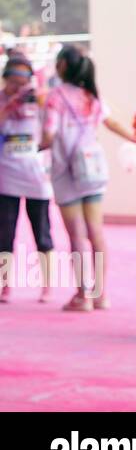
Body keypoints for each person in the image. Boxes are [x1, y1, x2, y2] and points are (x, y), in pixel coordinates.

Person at [42, 46, 136, 312]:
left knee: (76, 235)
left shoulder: (55, 97)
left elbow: (49, 135)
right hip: (93, 170)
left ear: (63, 65)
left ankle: (82, 296)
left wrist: (38, 146)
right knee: (96, 233)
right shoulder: (91, 95)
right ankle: (101, 295)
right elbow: (111, 123)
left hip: (66, 173)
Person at [0, 54, 54, 303]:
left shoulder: (39, 101)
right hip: (6, 175)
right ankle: (5, 284)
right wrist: (9, 105)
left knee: (42, 231)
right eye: (12, 81)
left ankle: (46, 284)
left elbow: (51, 131)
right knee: (4, 233)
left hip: (36, 175)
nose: (17, 88)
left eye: (22, 83)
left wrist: (40, 99)